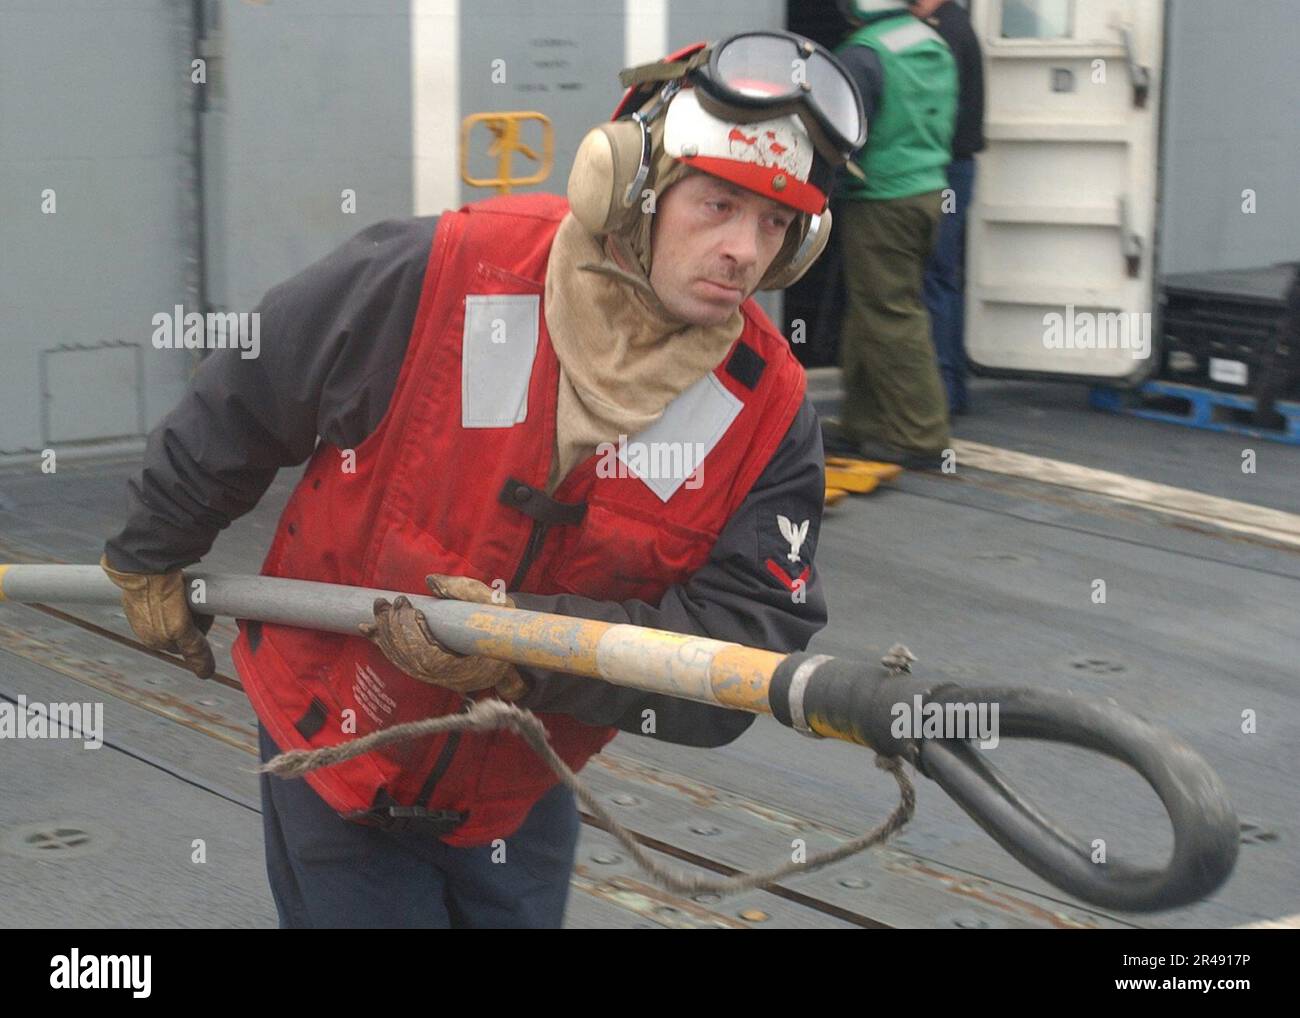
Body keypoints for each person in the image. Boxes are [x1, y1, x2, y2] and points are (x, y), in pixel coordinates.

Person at [99, 31, 867, 929]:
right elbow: (254, 387)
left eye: (775, 224)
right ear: (631, 187)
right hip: (334, 736)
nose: (745, 251)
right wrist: (155, 548)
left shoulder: (767, 411)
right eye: (719, 204)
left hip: (517, 783)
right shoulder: (449, 271)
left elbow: (742, 652)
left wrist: (530, 650)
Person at [826, 0, 958, 467]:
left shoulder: (862, 55)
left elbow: (838, 135)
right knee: (871, 308)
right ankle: (862, 423)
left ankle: (921, 436)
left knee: (890, 312)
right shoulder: (931, 42)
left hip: (881, 199)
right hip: (926, 193)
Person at [913, 0, 985, 415]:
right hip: (955, 167)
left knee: (935, 277)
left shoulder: (945, 33)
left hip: (945, 169)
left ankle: (941, 392)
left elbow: (938, 112)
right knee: (943, 277)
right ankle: (951, 387)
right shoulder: (957, 25)